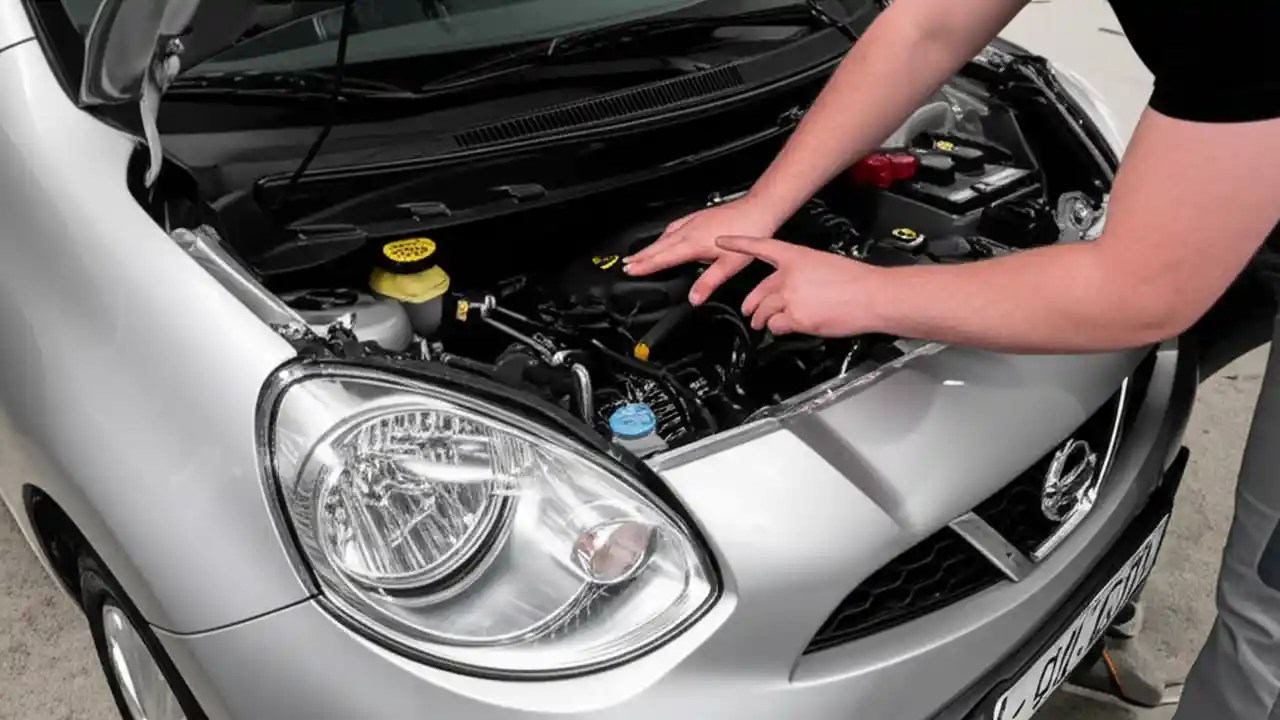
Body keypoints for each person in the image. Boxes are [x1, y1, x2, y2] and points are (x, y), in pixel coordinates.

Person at [623, 0, 1280, 717]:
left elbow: (1140, 292)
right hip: (1243, 155)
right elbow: (928, 23)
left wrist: (871, 293)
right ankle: (1087, 592)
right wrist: (765, 202)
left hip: (1230, 156)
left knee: (1267, 613)